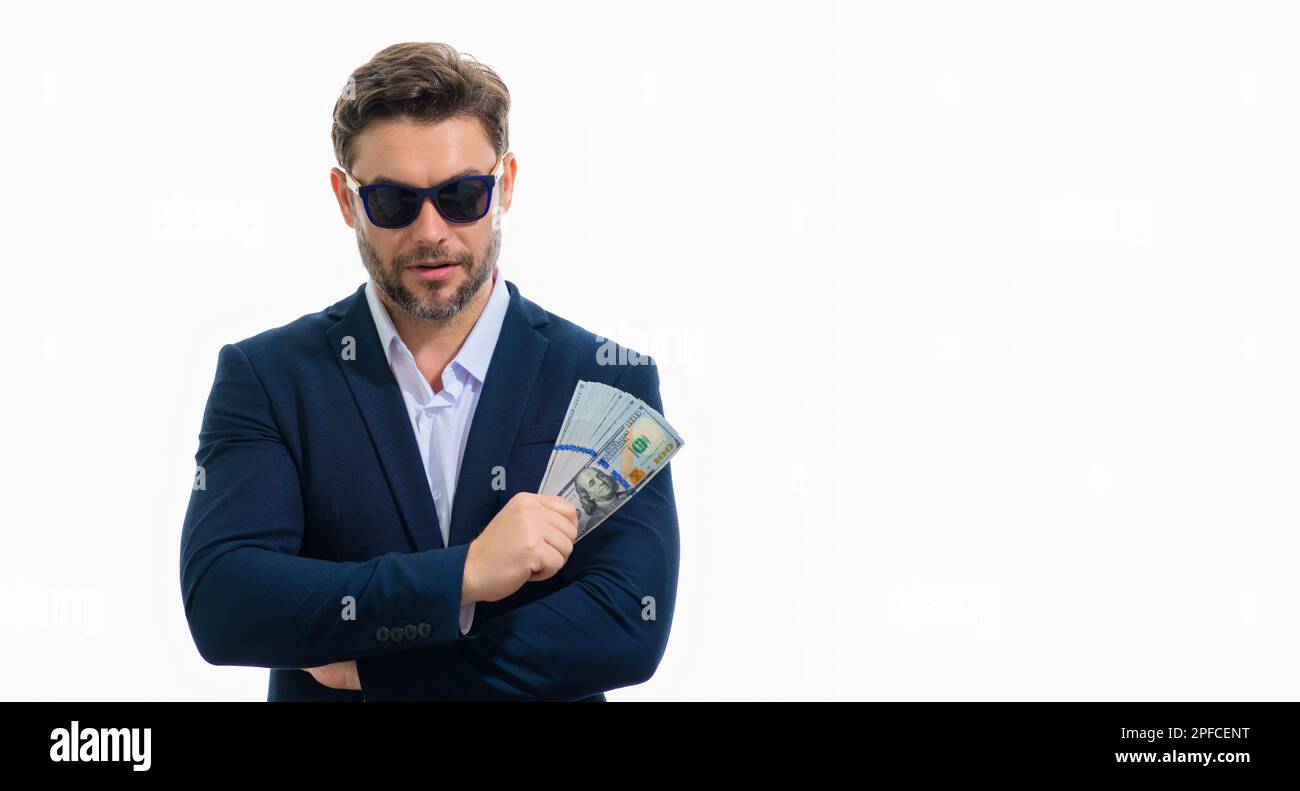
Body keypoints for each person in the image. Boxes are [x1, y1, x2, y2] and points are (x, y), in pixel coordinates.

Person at [179, 42, 680, 701]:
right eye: (393, 201)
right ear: (345, 198)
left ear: (504, 185)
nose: (431, 230)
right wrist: (466, 573)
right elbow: (226, 603)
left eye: (461, 194)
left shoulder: (606, 377)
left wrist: (378, 670)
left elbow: (625, 626)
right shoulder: (268, 377)